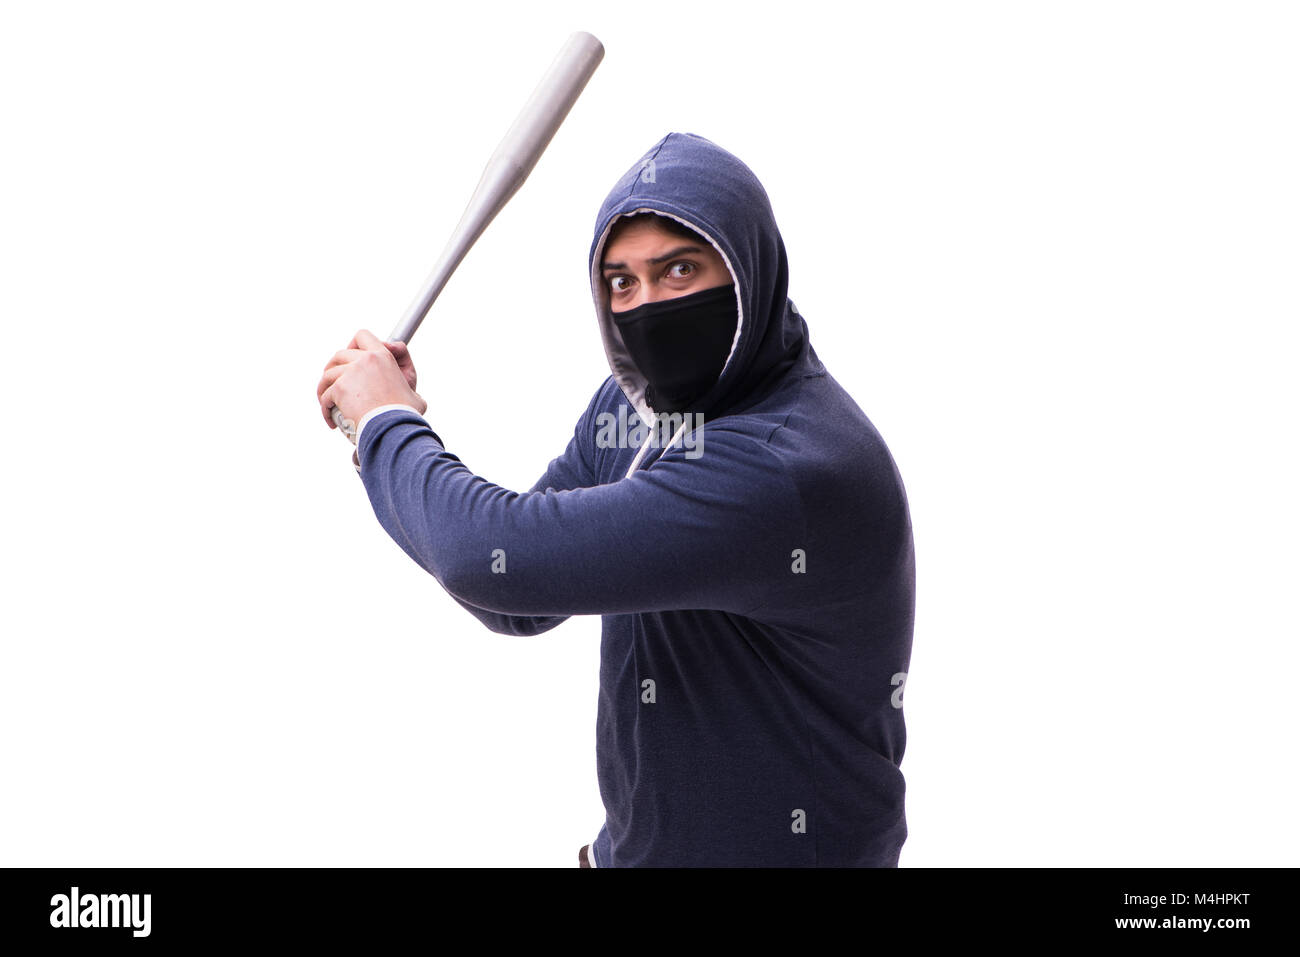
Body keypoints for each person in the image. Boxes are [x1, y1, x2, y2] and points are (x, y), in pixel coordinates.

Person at [316, 132, 916, 867]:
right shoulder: (637, 409)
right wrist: (387, 426)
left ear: (750, 268)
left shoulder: (787, 466)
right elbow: (518, 599)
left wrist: (385, 424)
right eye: (622, 282)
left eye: (680, 270)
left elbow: (490, 561)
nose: (647, 305)